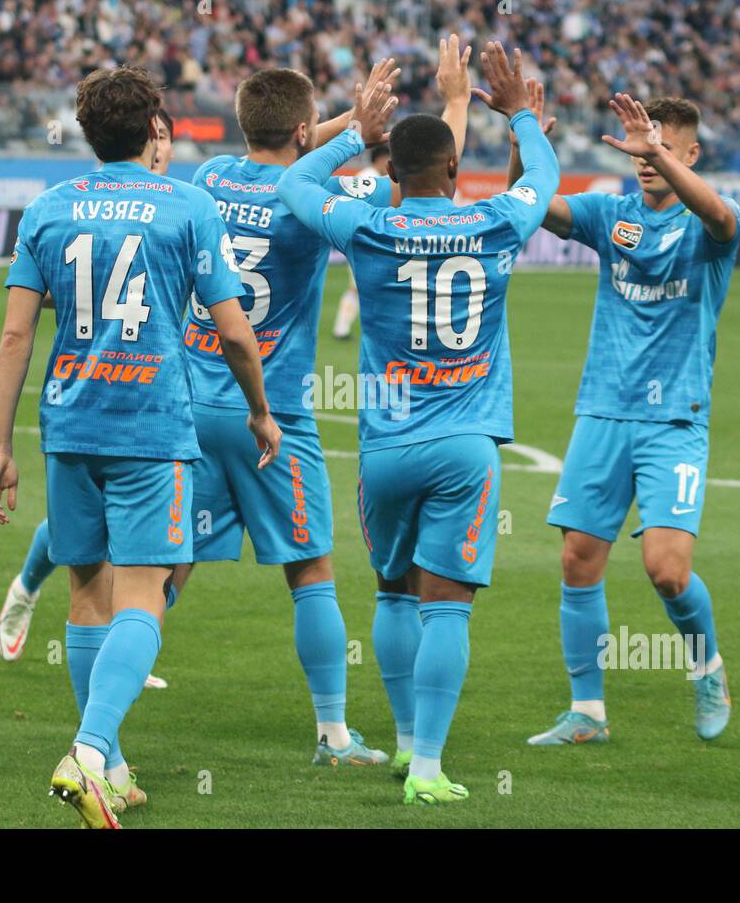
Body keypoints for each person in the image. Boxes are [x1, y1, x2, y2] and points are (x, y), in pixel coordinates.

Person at [0, 66, 280, 828]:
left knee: (88, 594)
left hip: (70, 424)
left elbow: (18, 332)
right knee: (144, 592)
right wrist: (259, 413)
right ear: (155, 129)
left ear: (87, 133)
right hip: (151, 425)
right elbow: (234, 330)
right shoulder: (186, 206)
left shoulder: (48, 211)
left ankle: (111, 767)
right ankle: (88, 752)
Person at [175, 39, 472, 765]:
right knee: (310, 569)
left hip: (188, 403)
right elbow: (425, 182)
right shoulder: (334, 198)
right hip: (269, 410)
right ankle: (334, 734)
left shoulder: (209, 176)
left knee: (163, 565)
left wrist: (345, 122)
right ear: (307, 131)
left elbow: (290, 139)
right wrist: (452, 105)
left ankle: (103, 713)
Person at [279, 42, 559, 805]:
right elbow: (545, 181)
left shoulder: (367, 227)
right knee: (447, 607)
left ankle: (402, 744)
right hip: (465, 447)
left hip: (386, 449)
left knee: (393, 595)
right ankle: (429, 766)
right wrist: (523, 116)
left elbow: (294, 182)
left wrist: (351, 134)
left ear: (391, 174)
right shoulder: (497, 222)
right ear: (456, 172)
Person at [519, 93, 740, 747]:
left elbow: (721, 214)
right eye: (637, 142)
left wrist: (662, 160)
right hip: (604, 410)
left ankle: (708, 669)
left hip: (674, 416)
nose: (643, 154)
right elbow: (531, 208)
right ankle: (586, 713)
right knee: (577, 559)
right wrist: (518, 143)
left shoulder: (709, 226)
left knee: (666, 570)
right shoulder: (610, 215)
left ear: (689, 154)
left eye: (661, 144)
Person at [0, 108, 177, 698]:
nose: (165, 146)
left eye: (173, 138)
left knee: (145, 562)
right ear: (149, 135)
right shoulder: (162, 209)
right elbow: (27, 318)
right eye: (162, 134)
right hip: (123, 411)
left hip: (161, 405)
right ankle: (29, 589)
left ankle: (123, 656)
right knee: (110, 568)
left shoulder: (180, 206)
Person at [332, 143, 391, 340]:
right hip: (365, 238)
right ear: (380, 160)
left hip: (362, 237)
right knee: (359, 287)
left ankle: (346, 328)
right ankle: (342, 329)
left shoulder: (366, 176)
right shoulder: (370, 179)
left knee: (364, 286)